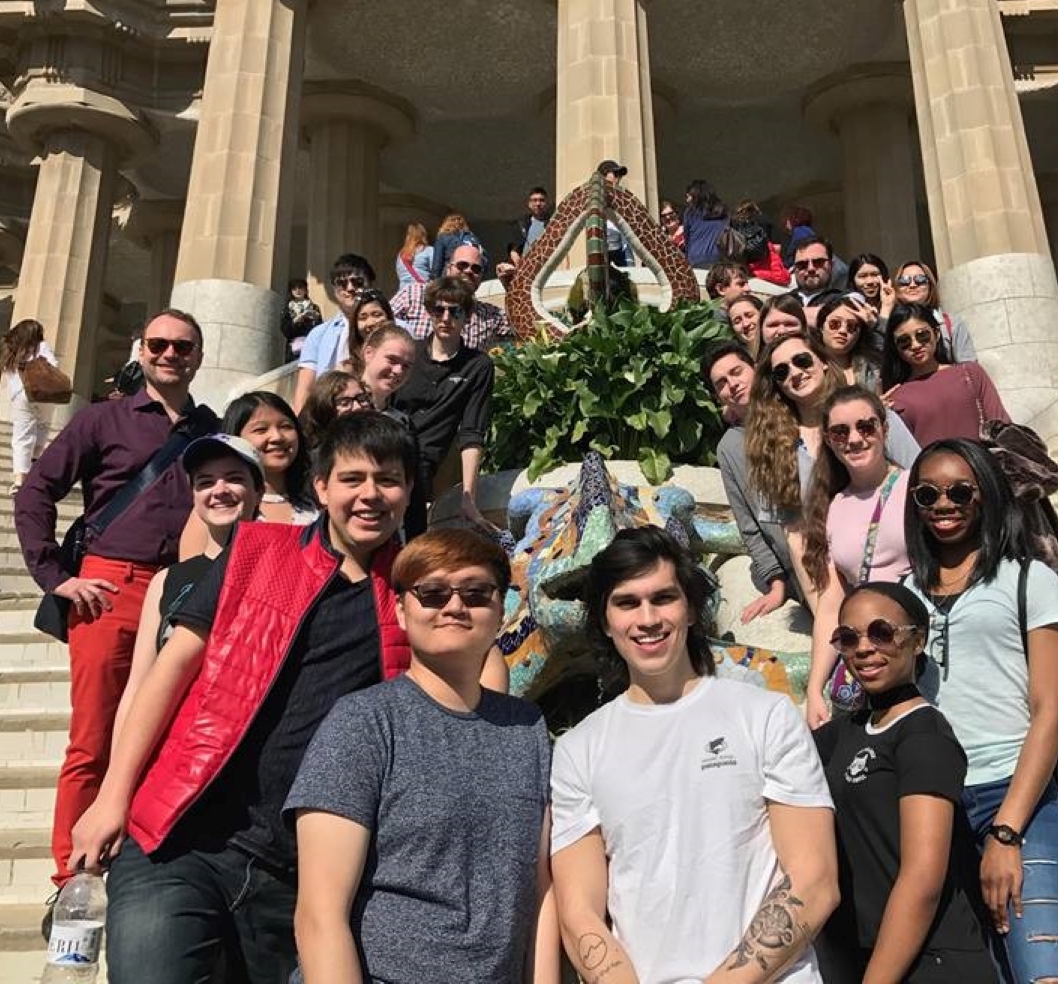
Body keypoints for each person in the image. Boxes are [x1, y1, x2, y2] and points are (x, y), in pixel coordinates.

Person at [68, 413, 417, 984]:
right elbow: (169, 672)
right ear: (321, 487)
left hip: (303, 874)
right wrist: (112, 797)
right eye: (352, 479)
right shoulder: (255, 552)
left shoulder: (415, 596)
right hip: (182, 839)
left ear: (408, 490)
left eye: (389, 479)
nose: (370, 495)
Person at [550, 526, 839, 983]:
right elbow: (579, 914)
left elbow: (815, 881)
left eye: (663, 598)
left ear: (689, 609)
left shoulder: (766, 715)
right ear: (605, 621)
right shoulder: (577, 750)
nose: (647, 618)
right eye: (627, 603)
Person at [286, 529, 560, 984]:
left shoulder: (526, 729)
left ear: (500, 610)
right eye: (432, 593)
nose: (454, 606)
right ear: (400, 609)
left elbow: (541, 890)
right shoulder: (363, 722)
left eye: (476, 593)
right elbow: (319, 915)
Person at [14, 309, 219, 899]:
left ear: (198, 356)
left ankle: (140, 860)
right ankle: (72, 873)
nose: (170, 354)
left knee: (168, 730)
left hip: (185, 589)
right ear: (141, 350)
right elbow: (35, 492)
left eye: (183, 346)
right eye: (158, 344)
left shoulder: (210, 427)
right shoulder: (103, 419)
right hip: (110, 588)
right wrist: (55, 577)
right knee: (94, 736)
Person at [902, 439, 1058, 984]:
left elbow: (1050, 711)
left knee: (1047, 974)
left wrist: (1006, 833)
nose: (943, 503)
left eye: (960, 491)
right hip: (935, 803)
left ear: (985, 495)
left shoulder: (1028, 580)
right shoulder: (905, 595)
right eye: (927, 494)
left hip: (1016, 793)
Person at [813, 582, 998, 984]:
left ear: (917, 641)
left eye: (881, 633)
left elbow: (922, 880)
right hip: (862, 956)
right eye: (848, 638)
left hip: (931, 964)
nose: (864, 648)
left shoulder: (924, 734)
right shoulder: (840, 735)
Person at [748, 334, 921, 609]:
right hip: (830, 584)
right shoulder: (771, 449)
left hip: (901, 569)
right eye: (782, 372)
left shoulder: (871, 419)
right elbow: (795, 538)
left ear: (824, 361)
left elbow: (921, 479)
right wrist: (822, 611)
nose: (795, 373)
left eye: (802, 360)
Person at [111, 433, 263, 746]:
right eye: (205, 482)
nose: (219, 490)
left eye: (234, 479)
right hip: (175, 747)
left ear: (258, 491)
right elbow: (139, 684)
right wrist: (118, 768)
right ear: (194, 496)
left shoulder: (283, 570)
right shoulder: (167, 580)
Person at [802, 386, 913, 729]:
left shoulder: (915, 488)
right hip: (870, 656)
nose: (854, 439)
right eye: (840, 431)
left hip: (915, 647)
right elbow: (831, 603)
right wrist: (815, 687)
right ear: (828, 440)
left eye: (865, 427)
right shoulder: (833, 507)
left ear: (884, 429)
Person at [392, 276, 496, 537]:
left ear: (468, 317)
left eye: (455, 311)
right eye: (439, 310)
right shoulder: (409, 355)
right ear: (429, 312)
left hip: (421, 469)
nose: (446, 318)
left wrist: (468, 497)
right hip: (388, 455)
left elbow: (472, 432)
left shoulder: (477, 366)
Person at [705, 341, 795, 623]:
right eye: (721, 383)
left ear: (755, 369)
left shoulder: (797, 412)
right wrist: (776, 583)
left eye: (736, 372)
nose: (732, 384)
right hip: (798, 572)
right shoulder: (729, 449)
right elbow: (749, 526)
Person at [882, 304, 1009, 446]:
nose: (915, 345)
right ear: (896, 347)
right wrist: (878, 414)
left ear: (936, 333)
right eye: (904, 341)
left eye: (922, 335)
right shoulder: (895, 399)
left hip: (981, 459)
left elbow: (1002, 429)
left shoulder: (971, 374)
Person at [391, 242, 512, 351]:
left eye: (476, 268)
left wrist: (511, 286)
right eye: (462, 265)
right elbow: (384, 323)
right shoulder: (414, 294)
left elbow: (519, 330)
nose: (469, 271)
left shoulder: (491, 315)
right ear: (448, 268)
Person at [294, 254, 378, 411]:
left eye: (357, 282)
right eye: (342, 283)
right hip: (330, 414)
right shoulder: (318, 334)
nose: (350, 288)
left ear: (371, 284)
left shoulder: (395, 329)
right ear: (334, 289)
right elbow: (305, 389)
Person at [222, 391, 319, 525]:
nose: (277, 437)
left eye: (285, 426)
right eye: (261, 430)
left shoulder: (320, 499)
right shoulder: (220, 503)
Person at [0, 318, 58, 495]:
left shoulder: (12, 351)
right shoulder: (41, 347)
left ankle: (20, 479)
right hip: (45, 394)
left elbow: (8, 374)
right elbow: (54, 365)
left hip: (21, 394)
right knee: (42, 428)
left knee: (22, 435)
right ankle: (34, 466)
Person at [893, 262, 976, 364]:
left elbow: (968, 366)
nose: (912, 285)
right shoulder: (891, 325)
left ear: (930, 285)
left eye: (920, 279)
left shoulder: (952, 323)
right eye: (904, 281)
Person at [816, 296, 882, 393]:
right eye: (835, 323)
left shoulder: (871, 366)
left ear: (859, 334)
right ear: (821, 327)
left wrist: (876, 326)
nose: (843, 331)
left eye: (851, 326)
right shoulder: (813, 367)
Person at [790, 234, 848, 313]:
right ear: (794, 269)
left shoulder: (846, 299)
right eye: (802, 264)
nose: (810, 268)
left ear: (831, 265)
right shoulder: (780, 302)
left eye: (818, 262)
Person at [682, 178, 731, 267]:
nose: (687, 200)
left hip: (695, 258)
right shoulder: (723, 211)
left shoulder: (690, 213)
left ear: (696, 196)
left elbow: (687, 239)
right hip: (718, 259)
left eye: (689, 196)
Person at [508, 185, 552, 270]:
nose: (538, 204)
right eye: (534, 200)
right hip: (526, 270)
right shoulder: (522, 224)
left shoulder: (553, 223)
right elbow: (514, 251)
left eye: (541, 200)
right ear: (529, 204)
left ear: (547, 203)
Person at [849, 253, 898, 326]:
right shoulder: (847, 307)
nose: (870, 282)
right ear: (853, 280)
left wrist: (886, 307)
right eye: (862, 276)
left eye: (875, 274)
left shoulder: (897, 307)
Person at [281, 278, 323, 360]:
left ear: (306, 290)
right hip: (293, 348)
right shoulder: (287, 309)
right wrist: (296, 320)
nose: (297, 291)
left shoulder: (314, 307)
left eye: (300, 287)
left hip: (310, 346)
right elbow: (285, 330)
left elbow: (320, 329)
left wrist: (316, 319)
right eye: (294, 288)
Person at [346, 288, 395, 358]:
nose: (370, 323)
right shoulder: (349, 364)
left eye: (377, 315)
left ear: (388, 317)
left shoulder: (406, 356)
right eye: (363, 318)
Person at [429, 212, 479, 280]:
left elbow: (437, 263)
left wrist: (433, 279)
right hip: (469, 275)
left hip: (449, 275)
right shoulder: (472, 238)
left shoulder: (443, 237)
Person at [393, 222, 433, 292]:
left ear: (408, 236)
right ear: (423, 235)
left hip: (404, 292)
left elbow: (399, 274)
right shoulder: (428, 250)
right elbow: (435, 271)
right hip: (422, 291)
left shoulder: (401, 254)